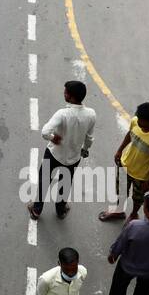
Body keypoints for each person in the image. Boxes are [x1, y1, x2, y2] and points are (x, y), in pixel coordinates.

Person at [29, 80, 96, 220]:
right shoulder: (91, 114)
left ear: (71, 97)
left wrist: (53, 138)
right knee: (65, 183)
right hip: (73, 157)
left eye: (66, 92)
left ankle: (36, 210)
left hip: (54, 154)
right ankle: (60, 210)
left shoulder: (62, 114)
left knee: (44, 180)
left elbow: (45, 132)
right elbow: (89, 138)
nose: (63, 93)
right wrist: (84, 149)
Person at [100, 101, 149, 223]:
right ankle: (118, 211)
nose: (138, 121)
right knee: (120, 190)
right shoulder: (135, 121)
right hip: (125, 166)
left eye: (141, 120)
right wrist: (119, 150)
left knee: (137, 198)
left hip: (141, 175)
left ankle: (133, 215)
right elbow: (130, 135)